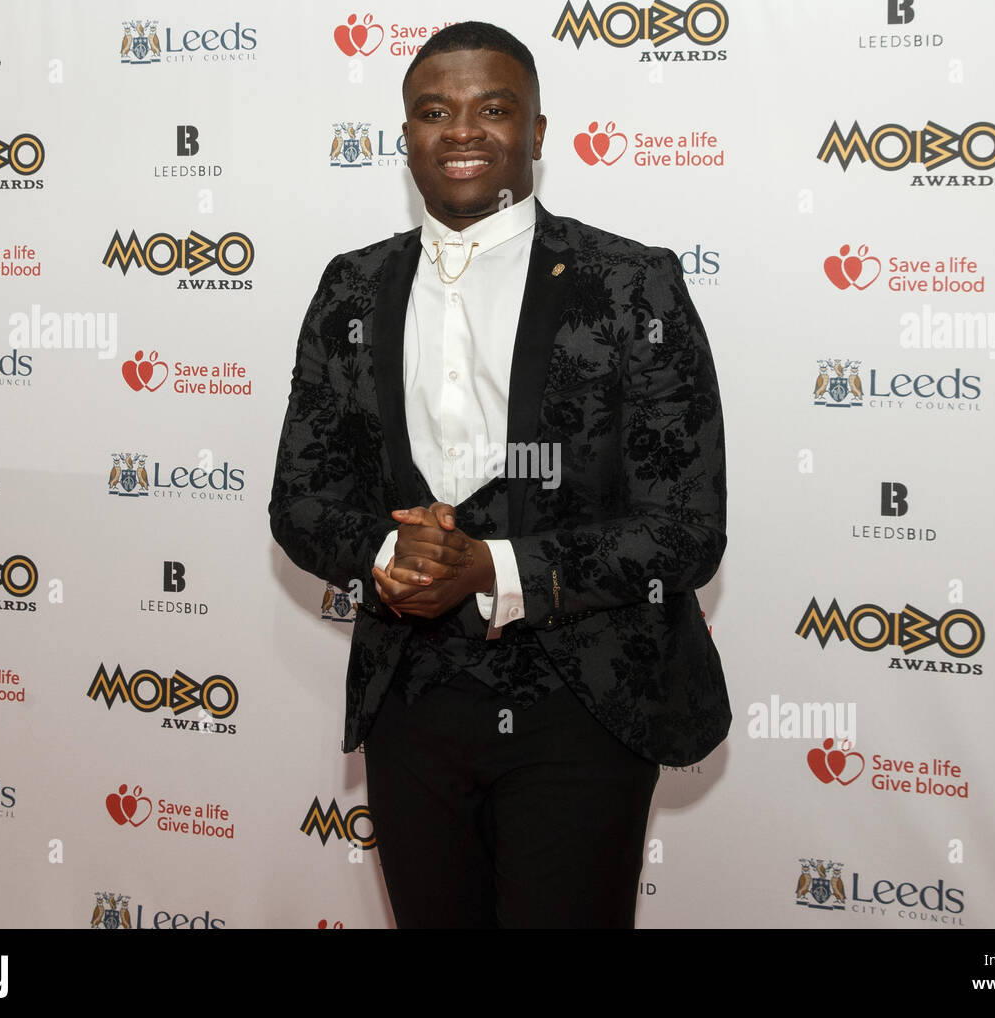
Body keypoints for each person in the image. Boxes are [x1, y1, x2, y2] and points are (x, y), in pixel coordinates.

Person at [269, 21, 729, 928]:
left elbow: (686, 527)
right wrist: (389, 555)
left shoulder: (634, 284)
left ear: (539, 133)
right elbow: (302, 501)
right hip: (412, 697)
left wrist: (493, 568)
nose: (462, 131)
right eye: (434, 111)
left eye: (493, 108)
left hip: (582, 698)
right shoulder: (351, 290)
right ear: (405, 137)